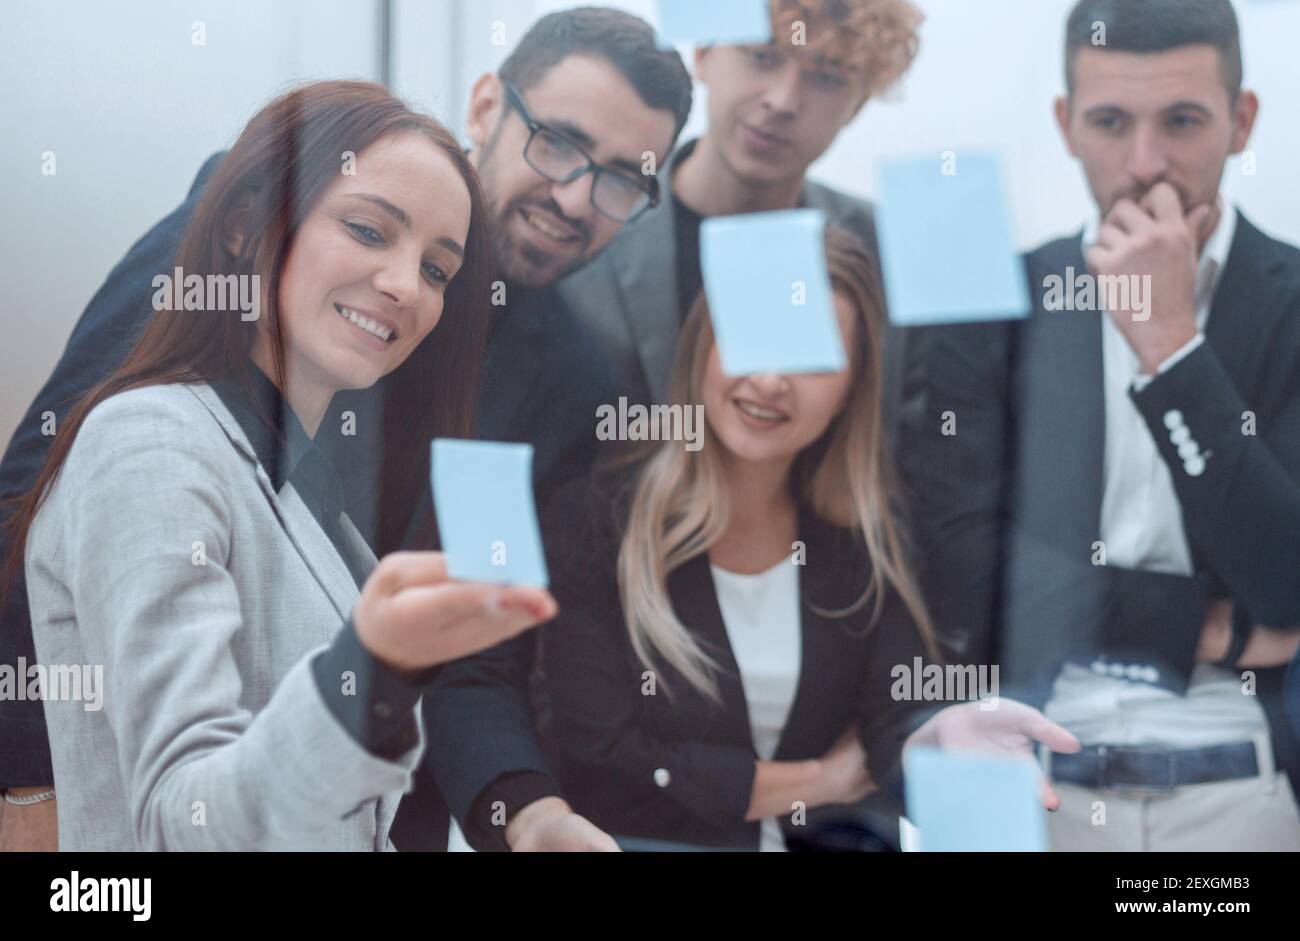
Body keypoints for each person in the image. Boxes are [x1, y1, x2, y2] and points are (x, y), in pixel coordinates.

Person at [0, 7, 693, 852]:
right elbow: (49, 489)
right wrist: (33, 789)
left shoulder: (564, 376)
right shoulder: (169, 414)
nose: (577, 196)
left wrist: (525, 810)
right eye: (559, 142)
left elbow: (466, 638)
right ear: (487, 107)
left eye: (624, 178)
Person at [538, 228, 1080, 850]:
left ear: (853, 385)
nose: (770, 379)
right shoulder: (598, 519)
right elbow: (607, 752)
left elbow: (891, 718)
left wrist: (939, 736)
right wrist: (818, 781)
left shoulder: (859, 539)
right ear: (705, 343)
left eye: (811, 356)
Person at [907, 0, 1300, 850]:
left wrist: (1170, 346)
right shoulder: (995, 303)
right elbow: (965, 567)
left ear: (1243, 121)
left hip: (1245, 782)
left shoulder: (1294, 302)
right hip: (1026, 766)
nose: (1144, 163)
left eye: (1183, 121)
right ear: (1066, 124)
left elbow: (1289, 577)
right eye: (1111, 122)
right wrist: (1198, 620)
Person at [558, 0, 934, 549]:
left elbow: (900, 477)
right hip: (592, 589)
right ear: (704, 53)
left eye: (827, 77)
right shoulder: (589, 221)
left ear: (857, 104)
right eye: (762, 57)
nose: (783, 100)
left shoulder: (886, 257)